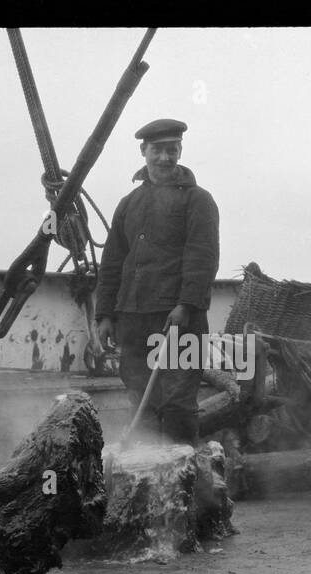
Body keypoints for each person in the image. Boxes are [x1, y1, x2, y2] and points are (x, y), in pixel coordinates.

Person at [95, 119, 220, 444]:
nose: (164, 158)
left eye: (171, 150)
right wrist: (105, 314)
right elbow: (112, 262)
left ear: (180, 151)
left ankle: (184, 482)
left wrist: (185, 306)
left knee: (178, 403)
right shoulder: (128, 203)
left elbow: (202, 258)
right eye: (157, 150)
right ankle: (148, 479)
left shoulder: (198, 200)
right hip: (133, 320)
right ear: (143, 152)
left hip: (179, 320)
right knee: (141, 400)